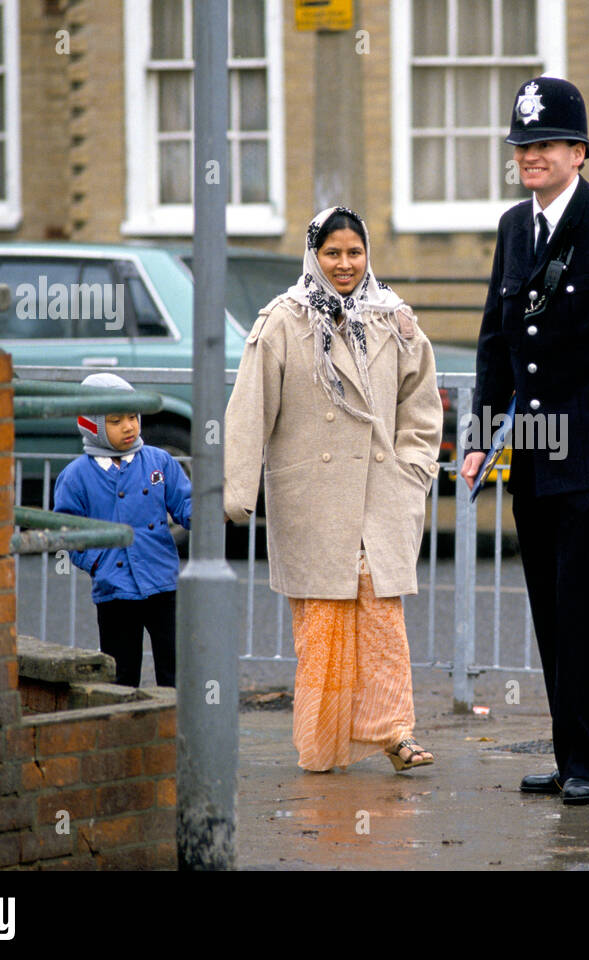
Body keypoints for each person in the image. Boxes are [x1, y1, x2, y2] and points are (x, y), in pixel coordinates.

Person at [460, 76, 589, 805]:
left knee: (579, 602)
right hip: (534, 457)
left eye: (544, 145)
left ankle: (587, 761)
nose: (531, 157)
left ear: (578, 151)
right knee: (550, 606)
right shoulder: (516, 227)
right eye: (522, 146)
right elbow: (497, 341)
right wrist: (484, 435)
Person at [224, 206, 444, 775]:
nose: (345, 264)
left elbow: (422, 407)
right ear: (313, 256)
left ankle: (394, 732)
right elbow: (250, 410)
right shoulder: (282, 321)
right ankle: (323, 748)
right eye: (333, 253)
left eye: (354, 252)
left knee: (380, 619)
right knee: (322, 626)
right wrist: (238, 491)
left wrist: (412, 470)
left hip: (380, 494)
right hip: (314, 501)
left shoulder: (394, 319)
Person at [53, 372, 192, 687]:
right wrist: (98, 562)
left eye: (133, 416)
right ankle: (125, 729)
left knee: (174, 671)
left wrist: (211, 513)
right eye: (116, 421)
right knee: (121, 674)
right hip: (114, 589)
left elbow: (186, 504)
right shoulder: (75, 476)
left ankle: (173, 732)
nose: (129, 426)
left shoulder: (160, 461)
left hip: (162, 583)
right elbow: (67, 533)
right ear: (92, 425)